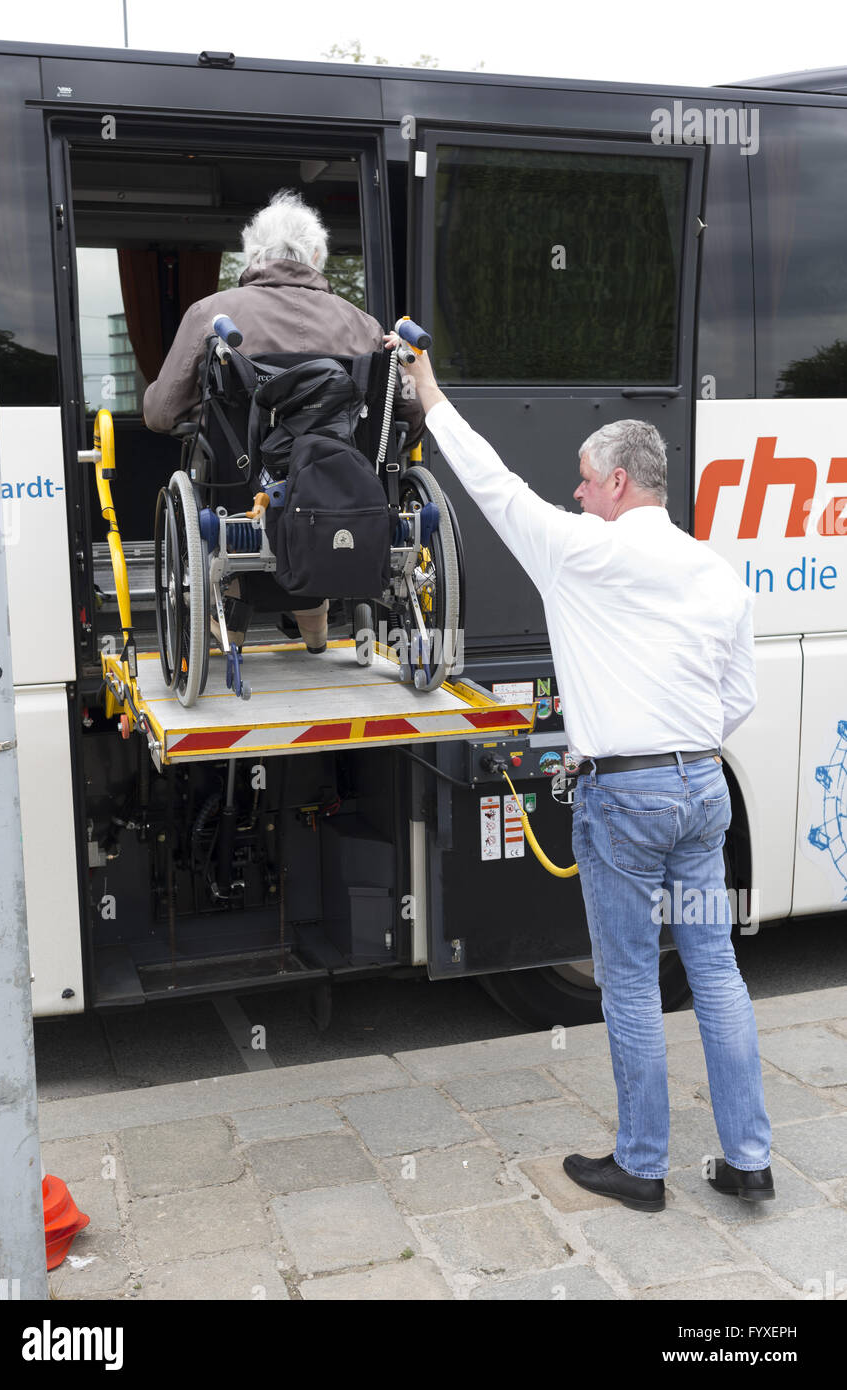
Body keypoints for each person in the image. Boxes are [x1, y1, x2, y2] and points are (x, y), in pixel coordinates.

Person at [390, 338, 773, 1213]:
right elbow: (738, 695)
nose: (572, 493)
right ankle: (747, 1158)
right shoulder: (716, 573)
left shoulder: (577, 552)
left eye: (582, 480)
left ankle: (640, 1167)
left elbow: (489, 485)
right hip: (702, 793)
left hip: (626, 801)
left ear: (617, 485)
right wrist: (674, 743)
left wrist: (430, 391)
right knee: (714, 969)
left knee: (632, 979)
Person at [143, 189, 424, 652]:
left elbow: (160, 414)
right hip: (340, 494)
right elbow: (407, 418)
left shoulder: (213, 315)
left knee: (233, 473)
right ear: (317, 257)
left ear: (252, 255)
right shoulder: (366, 326)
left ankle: (232, 615)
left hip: (244, 499)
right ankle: (313, 614)